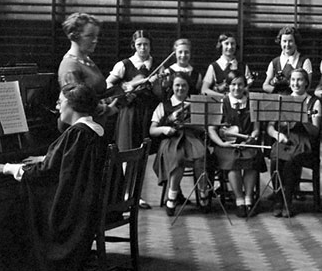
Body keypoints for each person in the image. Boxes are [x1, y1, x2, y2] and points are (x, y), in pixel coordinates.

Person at [0, 83, 107, 271]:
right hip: (88, 205)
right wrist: (45, 157)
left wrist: (5, 167)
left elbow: (45, 173)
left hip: (72, 214)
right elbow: (67, 161)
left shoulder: (77, 133)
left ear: (73, 104)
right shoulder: (94, 129)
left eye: (60, 102)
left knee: (16, 211)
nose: (57, 107)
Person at [105, 30, 162, 210]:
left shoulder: (157, 65)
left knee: (143, 153)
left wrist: (158, 83)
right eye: (139, 45)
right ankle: (127, 194)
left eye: (146, 44)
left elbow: (160, 94)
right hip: (129, 112)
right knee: (128, 151)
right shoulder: (124, 65)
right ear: (133, 46)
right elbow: (108, 87)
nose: (143, 48)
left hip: (148, 113)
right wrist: (129, 86)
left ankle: (137, 194)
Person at [150, 73, 209, 217]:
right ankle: (172, 196)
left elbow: (204, 128)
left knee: (202, 156)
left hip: (191, 138)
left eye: (184, 85)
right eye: (177, 85)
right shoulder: (164, 105)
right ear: (172, 87)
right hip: (172, 140)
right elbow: (152, 130)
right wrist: (165, 128)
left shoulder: (195, 104)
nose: (180, 88)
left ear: (189, 87)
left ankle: (203, 192)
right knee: (177, 159)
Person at [266, 68, 322, 217]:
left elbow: (315, 131)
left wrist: (303, 118)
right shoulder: (282, 99)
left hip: (305, 141)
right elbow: (270, 127)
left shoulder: (314, 102)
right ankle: (279, 199)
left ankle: (288, 200)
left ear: (306, 83)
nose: (296, 83)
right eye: (293, 80)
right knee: (275, 158)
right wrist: (277, 135)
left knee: (291, 160)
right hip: (285, 138)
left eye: (300, 80)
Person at [207, 74, 264, 218]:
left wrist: (253, 137)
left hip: (247, 143)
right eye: (233, 84)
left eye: (240, 84)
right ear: (228, 86)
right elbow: (212, 129)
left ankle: (249, 199)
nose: (236, 88)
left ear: (245, 86)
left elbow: (256, 128)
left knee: (251, 159)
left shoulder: (252, 103)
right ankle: (239, 200)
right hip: (227, 145)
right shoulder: (222, 102)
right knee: (233, 162)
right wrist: (221, 143)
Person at [57, 12, 114, 126]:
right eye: (90, 36)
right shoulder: (70, 65)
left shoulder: (86, 60)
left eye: (96, 36)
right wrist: (108, 109)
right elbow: (77, 103)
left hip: (96, 122)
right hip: (81, 127)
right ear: (75, 36)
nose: (95, 40)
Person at [263, 25, 313, 95]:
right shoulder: (275, 62)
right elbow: (265, 85)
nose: (287, 45)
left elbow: (308, 86)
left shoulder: (304, 61)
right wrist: (278, 90)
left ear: (296, 42)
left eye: (290, 41)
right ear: (280, 42)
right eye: (284, 41)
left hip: (298, 101)